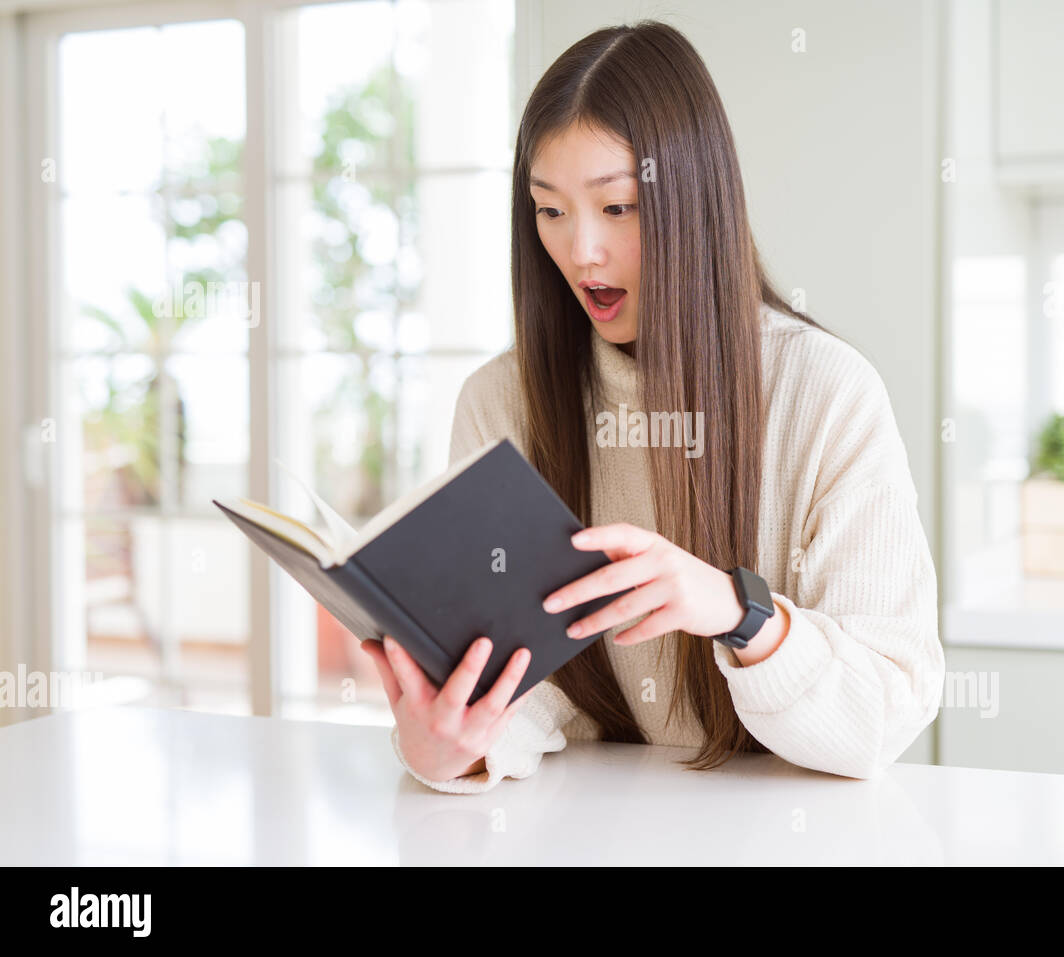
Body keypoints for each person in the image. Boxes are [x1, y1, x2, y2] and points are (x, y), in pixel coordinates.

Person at [361, 19, 943, 793]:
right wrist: (453, 748)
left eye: (618, 207)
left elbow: (884, 711)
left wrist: (737, 612)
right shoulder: (499, 401)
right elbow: (533, 691)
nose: (580, 252)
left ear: (694, 200)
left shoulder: (829, 393)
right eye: (550, 210)